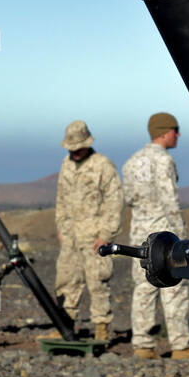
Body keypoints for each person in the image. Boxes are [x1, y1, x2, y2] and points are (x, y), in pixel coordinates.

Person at [121, 112, 189, 360]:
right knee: (174, 286)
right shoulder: (163, 162)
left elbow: (128, 198)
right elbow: (169, 200)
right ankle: (181, 345)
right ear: (164, 132)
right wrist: (180, 238)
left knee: (143, 288)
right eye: (175, 129)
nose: (178, 134)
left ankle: (142, 344)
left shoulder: (131, 162)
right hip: (164, 236)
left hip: (139, 234)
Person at [55, 120, 124, 341]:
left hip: (95, 236)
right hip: (70, 236)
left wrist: (106, 235)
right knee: (66, 281)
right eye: (71, 149)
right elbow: (61, 200)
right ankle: (65, 328)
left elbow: (115, 202)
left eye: (78, 148)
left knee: (98, 283)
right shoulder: (66, 164)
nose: (75, 152)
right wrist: (61, 228)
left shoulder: (103, 165)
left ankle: (101, 329)